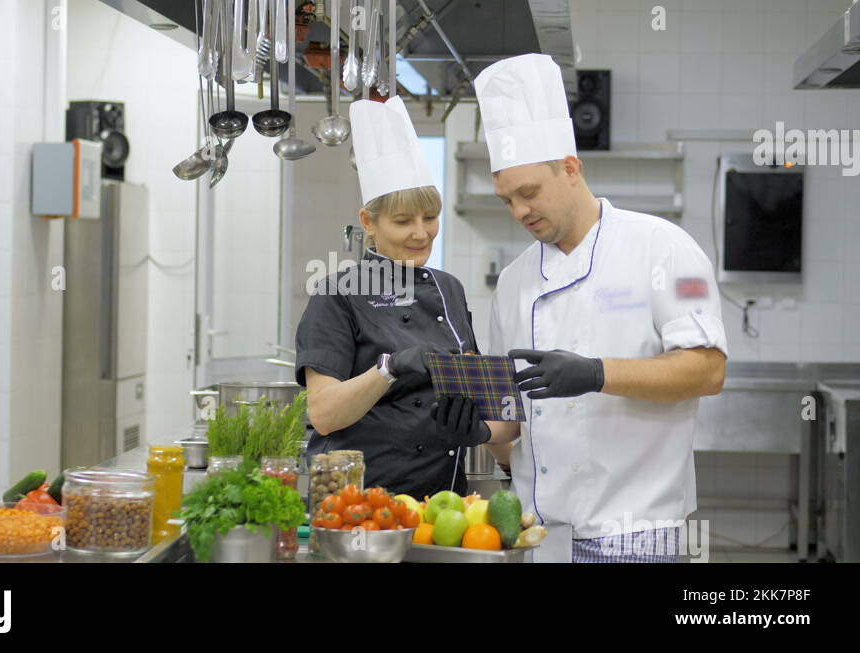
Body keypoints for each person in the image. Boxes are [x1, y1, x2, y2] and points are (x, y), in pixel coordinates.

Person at [432, 54, 728, 563]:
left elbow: (708, 369)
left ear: (571, 168)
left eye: (529, 192)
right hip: (536, 531)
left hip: (635, 530)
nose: (520, 210)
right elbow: (512, 420)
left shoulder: (664, 247)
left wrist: (596, 373)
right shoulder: (514, 282)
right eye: (507, 199)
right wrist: (481, 431)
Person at [294, 97, 478, 499]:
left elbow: (476, 391)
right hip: (358, 504)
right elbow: (323, 414)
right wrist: (389, 369)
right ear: (368, 223)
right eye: (402, 221)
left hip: (442, 505)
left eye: (430, 218)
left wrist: (481, 426)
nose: (421, 233)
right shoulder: (336, 294)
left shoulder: (449, 289)